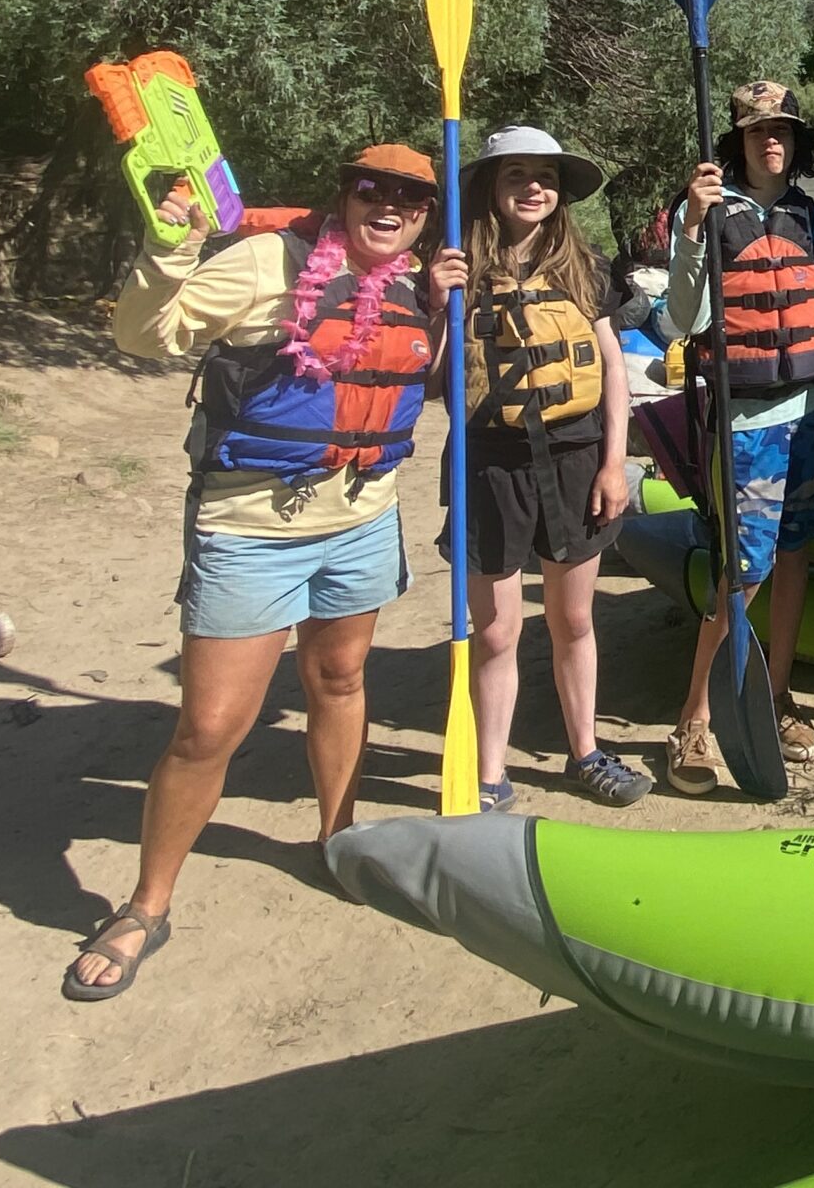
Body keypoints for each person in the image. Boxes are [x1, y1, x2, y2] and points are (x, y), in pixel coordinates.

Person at [65, 145, 461, 1001]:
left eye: (410, 199)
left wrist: (446, 308)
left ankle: (338, 840)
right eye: (372, 192)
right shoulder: (267, 263)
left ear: (427, 215)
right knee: (209, 728)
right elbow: (143, 333)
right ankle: (146, 906)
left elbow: (421, 386)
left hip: (362, 518)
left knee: (341, 678)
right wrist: (171, 243)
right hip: (251, 529)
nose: (389, 208)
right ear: (344, 196)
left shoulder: (424, 283)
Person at [653, 82, 814, 795]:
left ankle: (778, 691)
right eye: (760, 130)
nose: (774, 142)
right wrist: (693, 232)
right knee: (745, 568)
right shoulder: (703, 213)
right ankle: (695, 719)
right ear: (738, 139)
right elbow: (681, 316)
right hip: (747, 420)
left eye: (785, 131)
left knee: (795, 554)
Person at [447, 125, 647, 811]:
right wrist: (435, 302)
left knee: (574, 620)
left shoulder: (584, 268)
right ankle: (489, 774)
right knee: (498, 630)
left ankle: (585, 752)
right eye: (516, 176)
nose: (533, 188)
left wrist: (614, 464)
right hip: (490, 466)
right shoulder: (456, 271)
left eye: (545, 177)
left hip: (574, 458)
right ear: (490, 191)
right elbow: (433, 372)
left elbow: (614, 368)